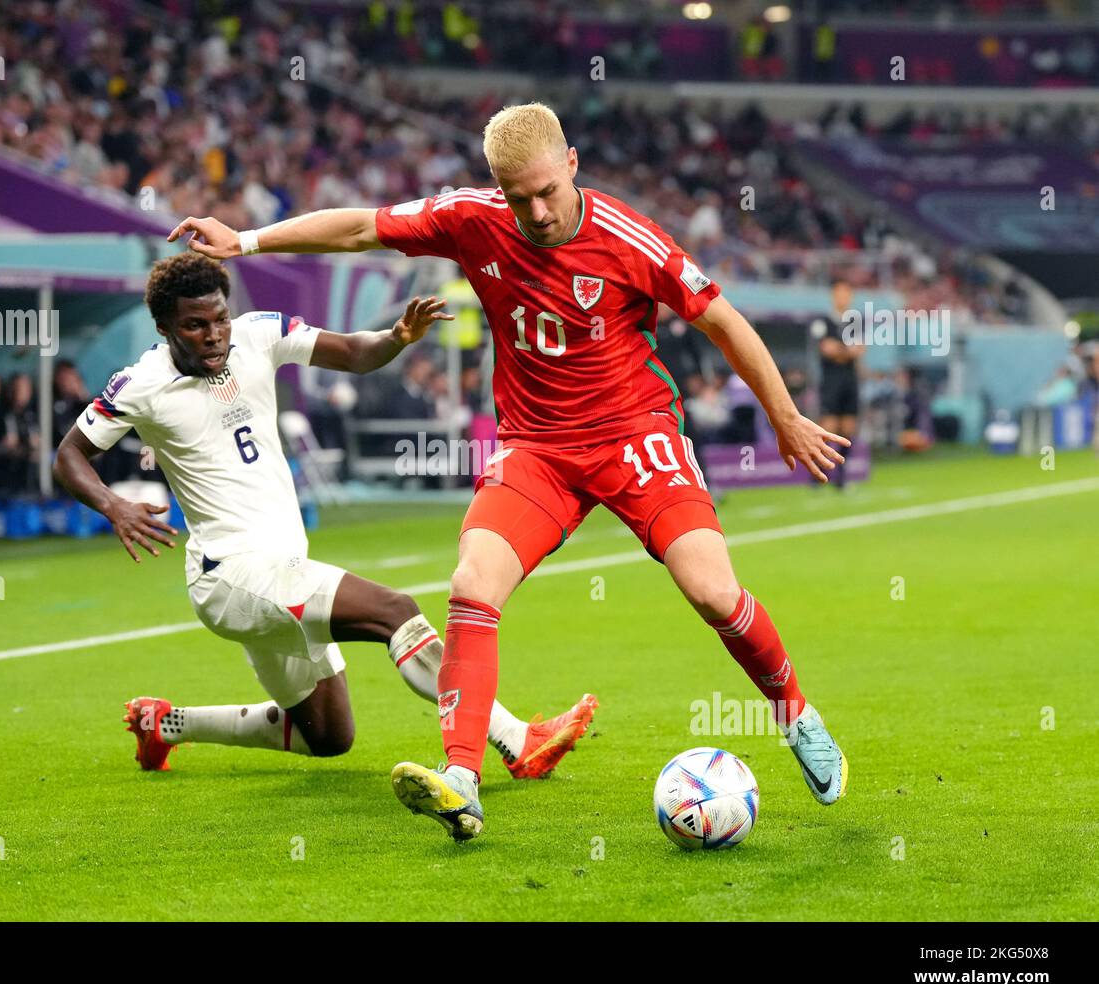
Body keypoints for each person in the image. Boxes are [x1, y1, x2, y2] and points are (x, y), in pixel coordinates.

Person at [169, 102, 851, 842]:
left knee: (713, 589)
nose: (536, 211)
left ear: (572, 164)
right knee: (471, 584)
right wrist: (246, 240)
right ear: (498, 187)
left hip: (634, 437)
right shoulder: (472, 218)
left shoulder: (630, 238)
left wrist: (783, 415)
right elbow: (361, 225)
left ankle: (796, 714)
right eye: (518, 196)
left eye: (547, 191)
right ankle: (462, 779)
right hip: (536, 448)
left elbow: (723, 320)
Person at [52, 253, 597, 780]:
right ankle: (515, 740)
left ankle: (165, 725)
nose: (215, 334)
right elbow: (69, 456)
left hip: (281, 567)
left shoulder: (258, 333)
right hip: (232, 576)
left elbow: (354, 352)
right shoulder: (141, 383)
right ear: (165, 325)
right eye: (196, 326)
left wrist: (394, 339)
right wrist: (113, 505)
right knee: (396, 612)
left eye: (219, 318)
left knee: (329, 736)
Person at [813, 280, 866, 489]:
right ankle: (818, 473)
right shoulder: (823, 321)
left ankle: (842, 477)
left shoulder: (855, 321)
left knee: (849, 428)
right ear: (833, 295)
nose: (843, 297)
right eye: (840, 292)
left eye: (847, 293)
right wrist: (847, 351)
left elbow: (859, 349)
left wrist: (840, 350)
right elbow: (827, 348)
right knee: (829, 427)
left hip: (850, 380)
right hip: (831, 380)